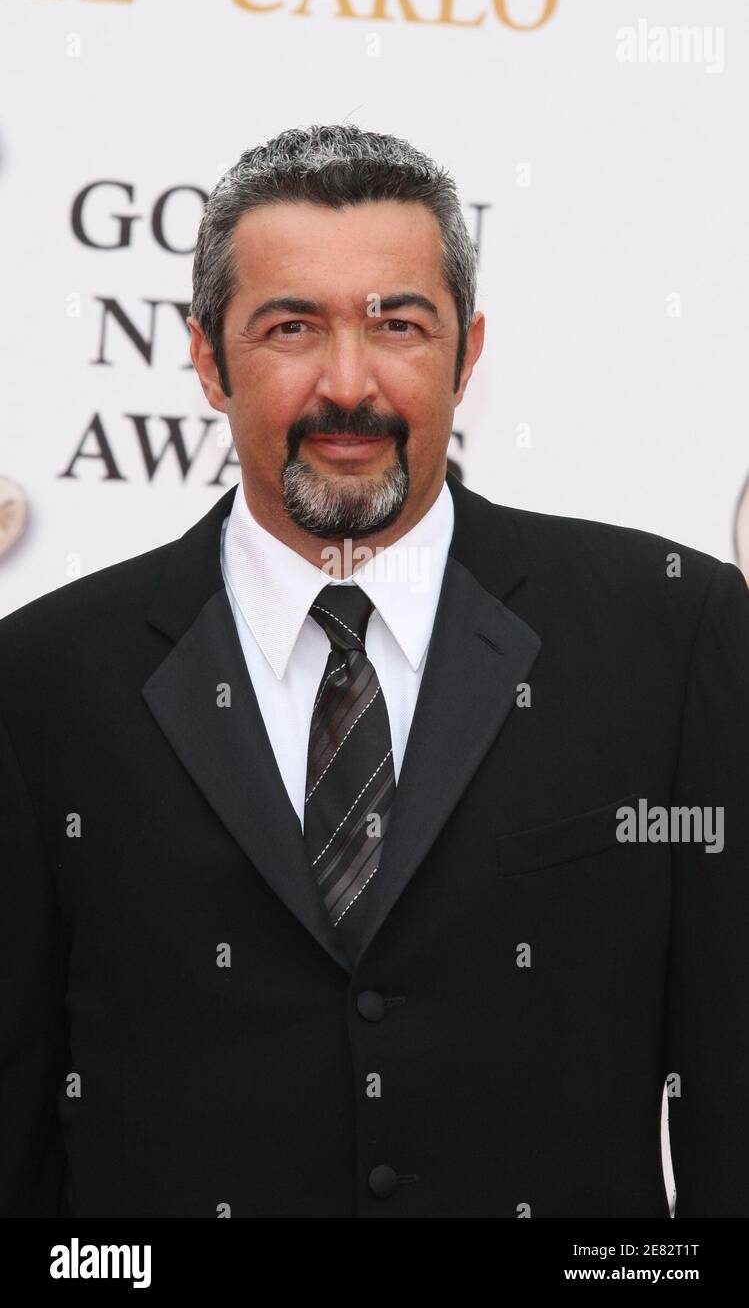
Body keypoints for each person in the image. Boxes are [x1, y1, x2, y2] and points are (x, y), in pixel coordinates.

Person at [1, 124, 748, 1219]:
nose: (346, 385)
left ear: (467, 351)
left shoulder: (670, 631)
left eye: (397, 325)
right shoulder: (46, 677)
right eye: (290, 327)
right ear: (207, 359)